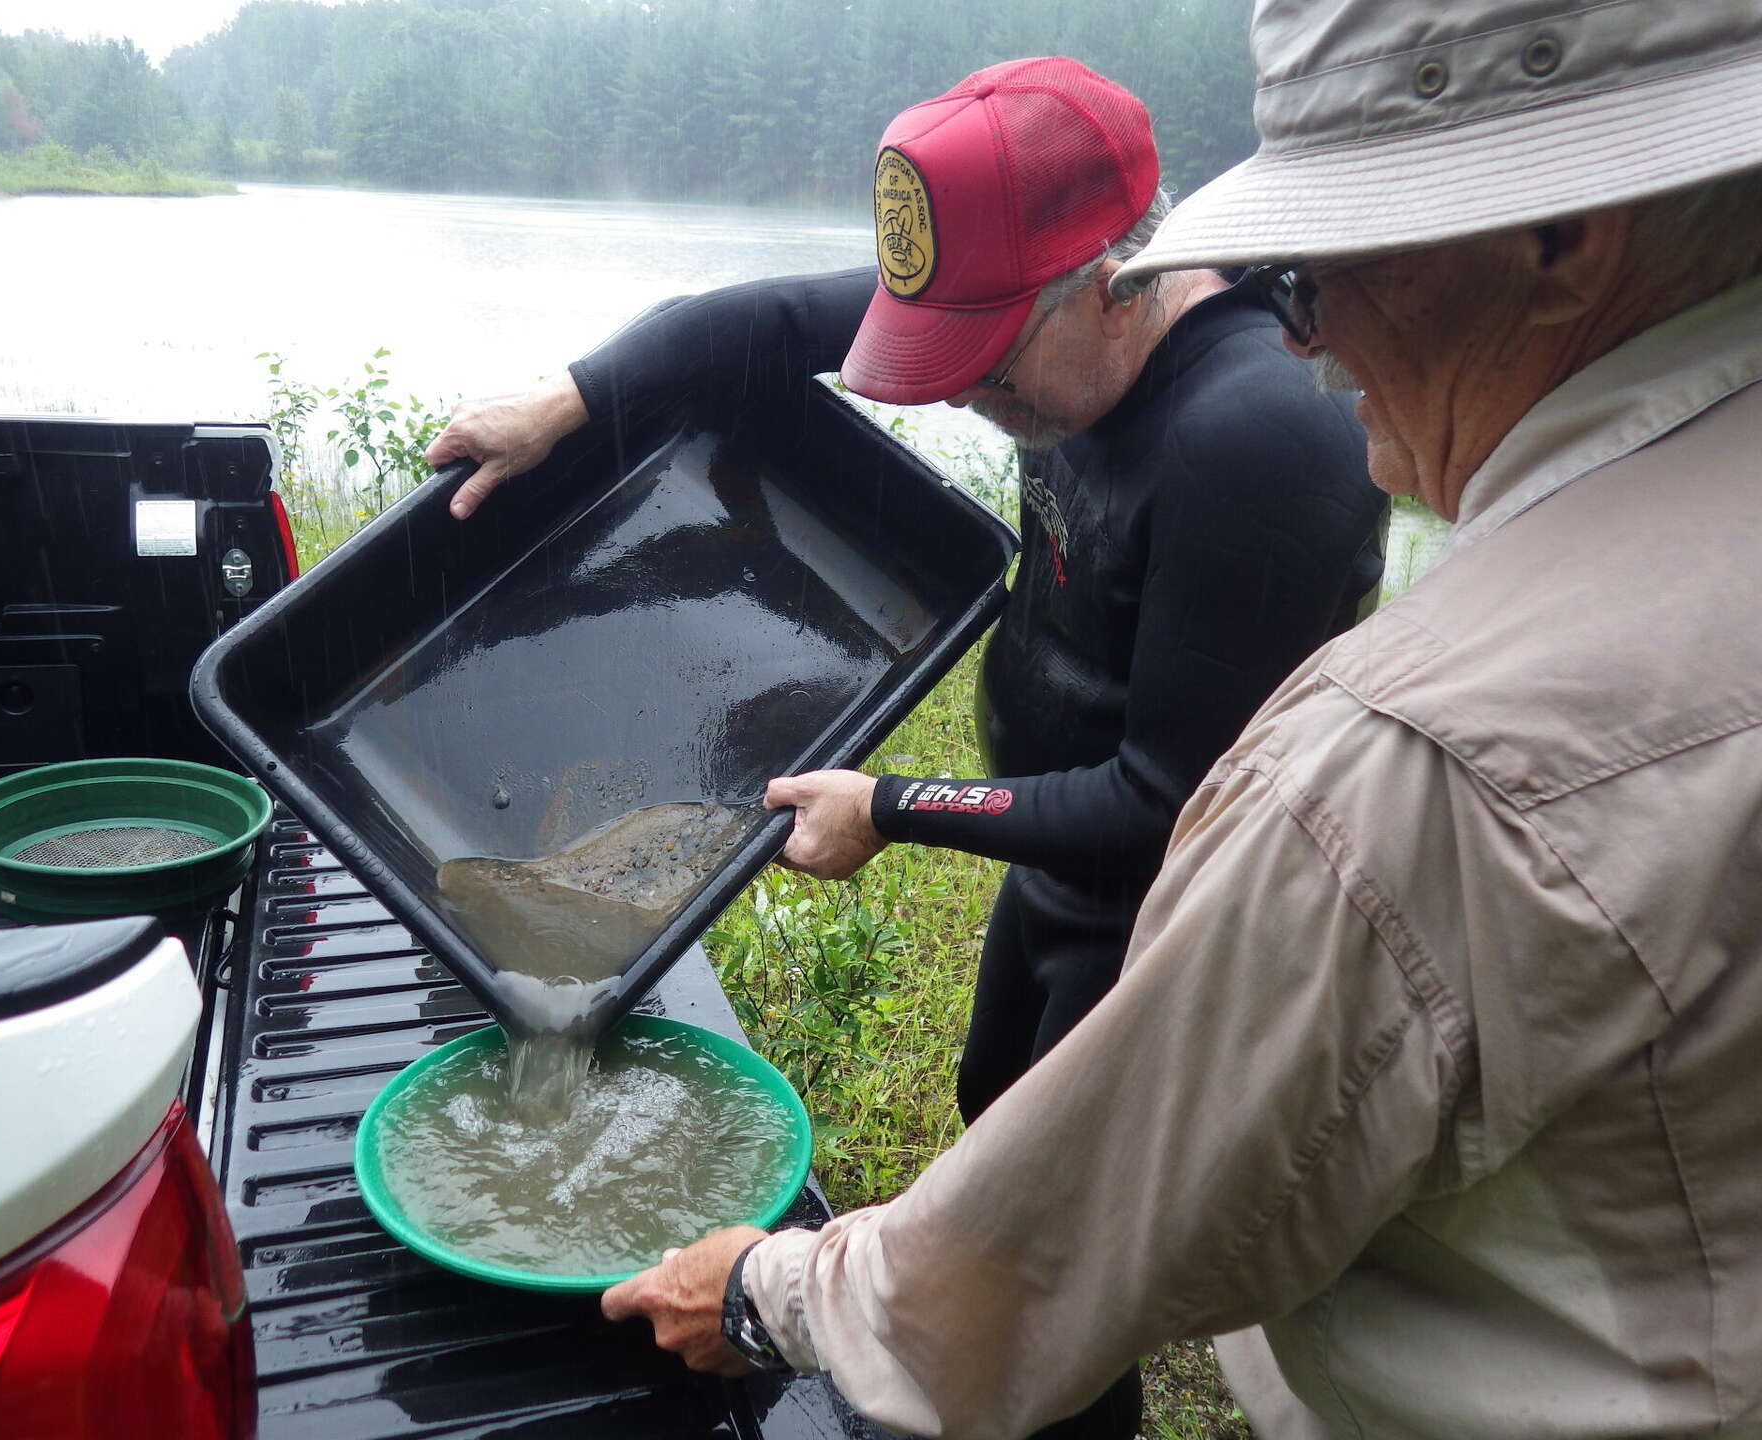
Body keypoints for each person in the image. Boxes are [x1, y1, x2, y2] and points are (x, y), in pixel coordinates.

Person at [596, 3, 1762, 1437]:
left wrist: (892, 806)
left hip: (1154, 901)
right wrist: (575, 397)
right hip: (1054, 872)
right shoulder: (1042, 326)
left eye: (988, 365)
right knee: (992, 1099)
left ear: (1112, 283)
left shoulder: (1285, 483)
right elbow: (777, 320)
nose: (967, 396)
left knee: (1071, 1328)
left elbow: (1056, 1241)